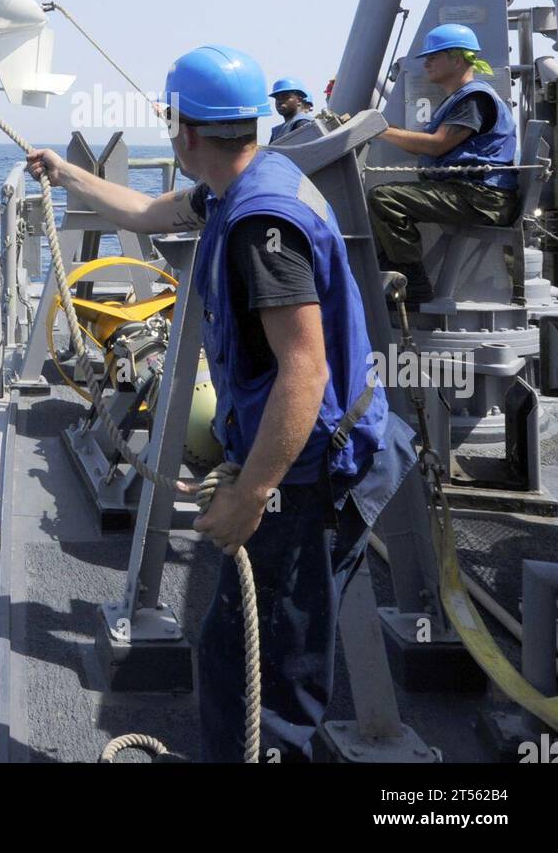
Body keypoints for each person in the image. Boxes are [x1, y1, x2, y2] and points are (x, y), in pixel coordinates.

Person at [27, 44, 416, 763]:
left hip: (308, 483)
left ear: (185, 130)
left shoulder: (258, 227)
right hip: (332, 459)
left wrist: (251, 492)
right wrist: (68, 172)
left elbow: (304, 369)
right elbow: (146, 211)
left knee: (263, 675)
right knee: (251, 650)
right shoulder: (243, 182)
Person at [367, 25, 518, 306]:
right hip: (472, 192)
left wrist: (376, 130)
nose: (426, 63)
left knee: (385, 198)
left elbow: (436, 145)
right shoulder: (462, 99)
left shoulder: (473, 99)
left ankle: (413, 285)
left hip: (482, 197)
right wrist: (379, 125)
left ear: (457, 60)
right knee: (386, 197)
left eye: (433, 56)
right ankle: (392, 274)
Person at [268, 76, 314, 143]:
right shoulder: (277, 131)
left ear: (299, 101)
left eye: (285, 97)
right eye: (277, 98)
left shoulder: (303, 123)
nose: (280, 101)